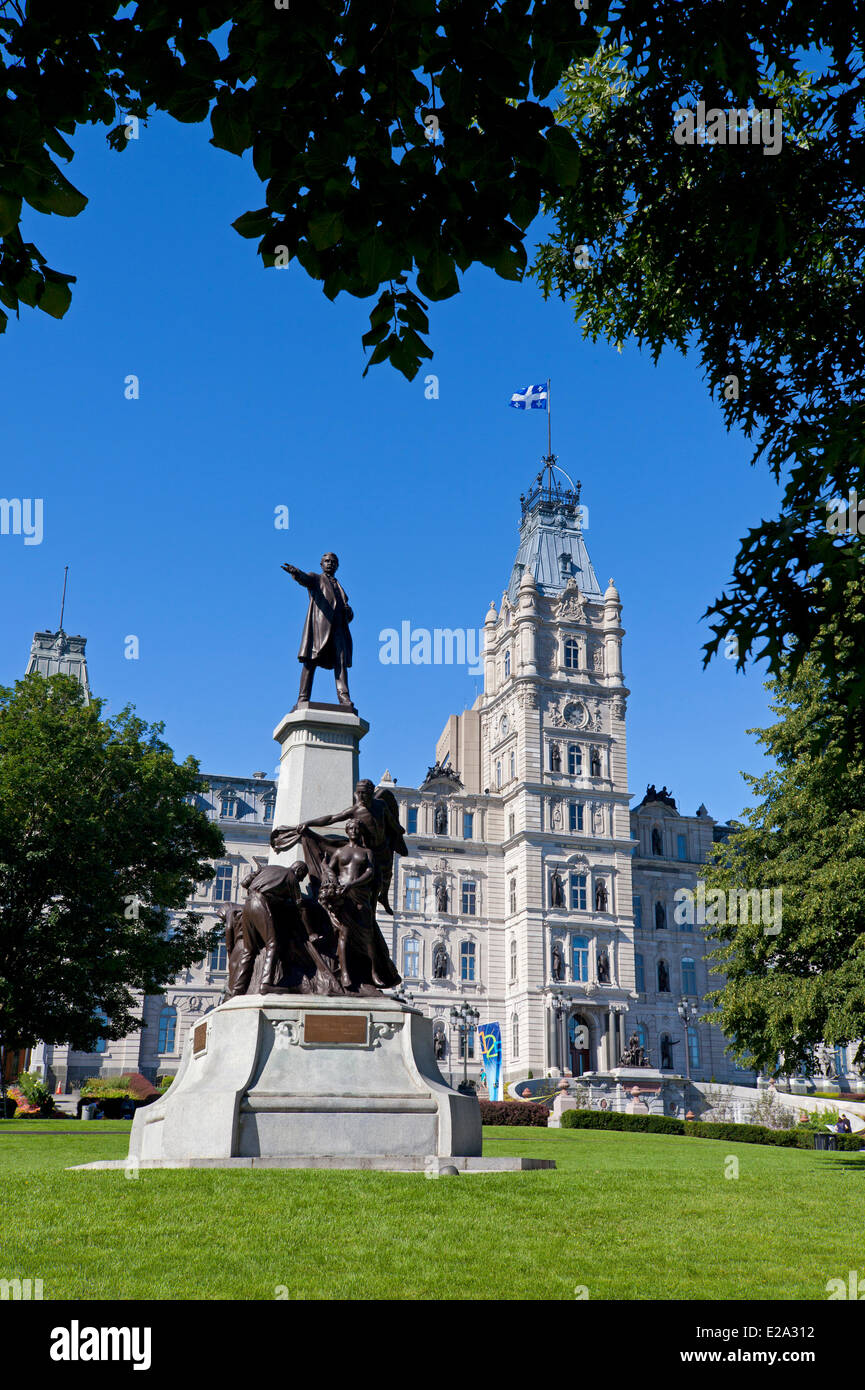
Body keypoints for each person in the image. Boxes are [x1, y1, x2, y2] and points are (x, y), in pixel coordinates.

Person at [282, 552, 354, 706]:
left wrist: (349, 613)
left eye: (333, 562)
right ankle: (303, 698)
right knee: (310, 662)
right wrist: (296, 573)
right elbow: (305, 579)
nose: (330, 564)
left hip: (339, 630)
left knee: (340, 663)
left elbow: (345, 608)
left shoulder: (340, 587)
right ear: (321, 564)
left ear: (337, 566)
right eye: (327, 561)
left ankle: (344, 697)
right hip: (320, 627)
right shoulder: (317, 579)